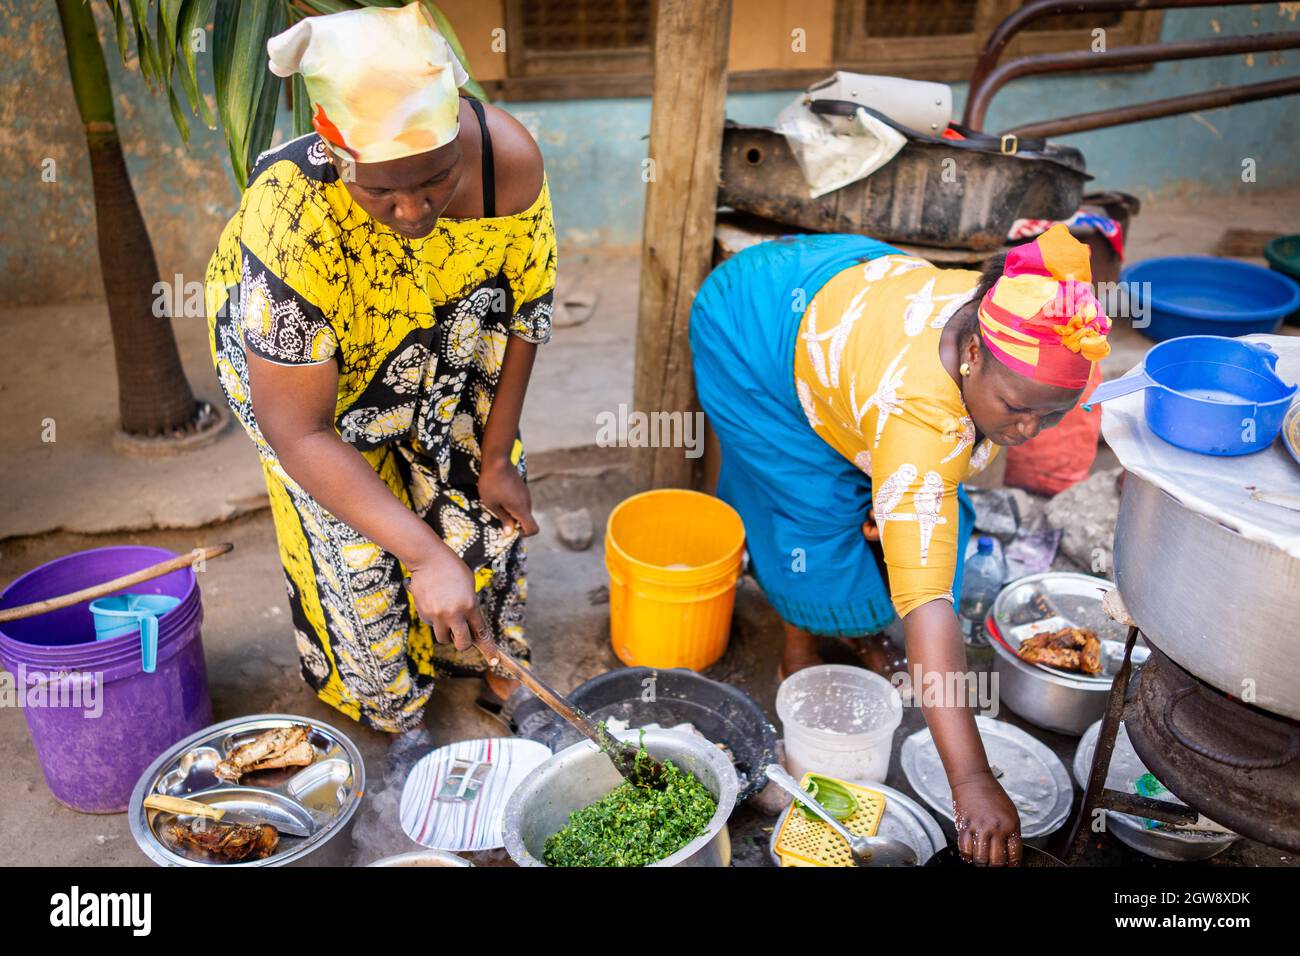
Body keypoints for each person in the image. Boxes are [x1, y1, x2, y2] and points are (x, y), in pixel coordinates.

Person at [690, 225, 1109, 865]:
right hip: (753, 332)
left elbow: (927, 484)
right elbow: (930, 601)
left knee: (931, 518)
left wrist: (897, 497)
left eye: (1052, 416)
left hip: (837, 300)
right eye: (1018, 409)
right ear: (972, 351)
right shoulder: (919, 417)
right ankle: (799, 644)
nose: (1027, 431)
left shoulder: (1004, 310)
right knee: (812, 517)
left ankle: (848, 626)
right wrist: (971, 780)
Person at [204, 3, 556, 733]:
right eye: (380, 192)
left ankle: (473, 650)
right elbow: (299, 430)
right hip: (307, 385)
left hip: (443, 333)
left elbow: (524, 312)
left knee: (475, 506)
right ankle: (389, 693)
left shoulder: (506, 163)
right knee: (362, 555)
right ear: (339, 162)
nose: (411, 209)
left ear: (460, 134)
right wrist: (423, 557)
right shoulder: (292, 216)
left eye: (433, 181)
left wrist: (496, 457)